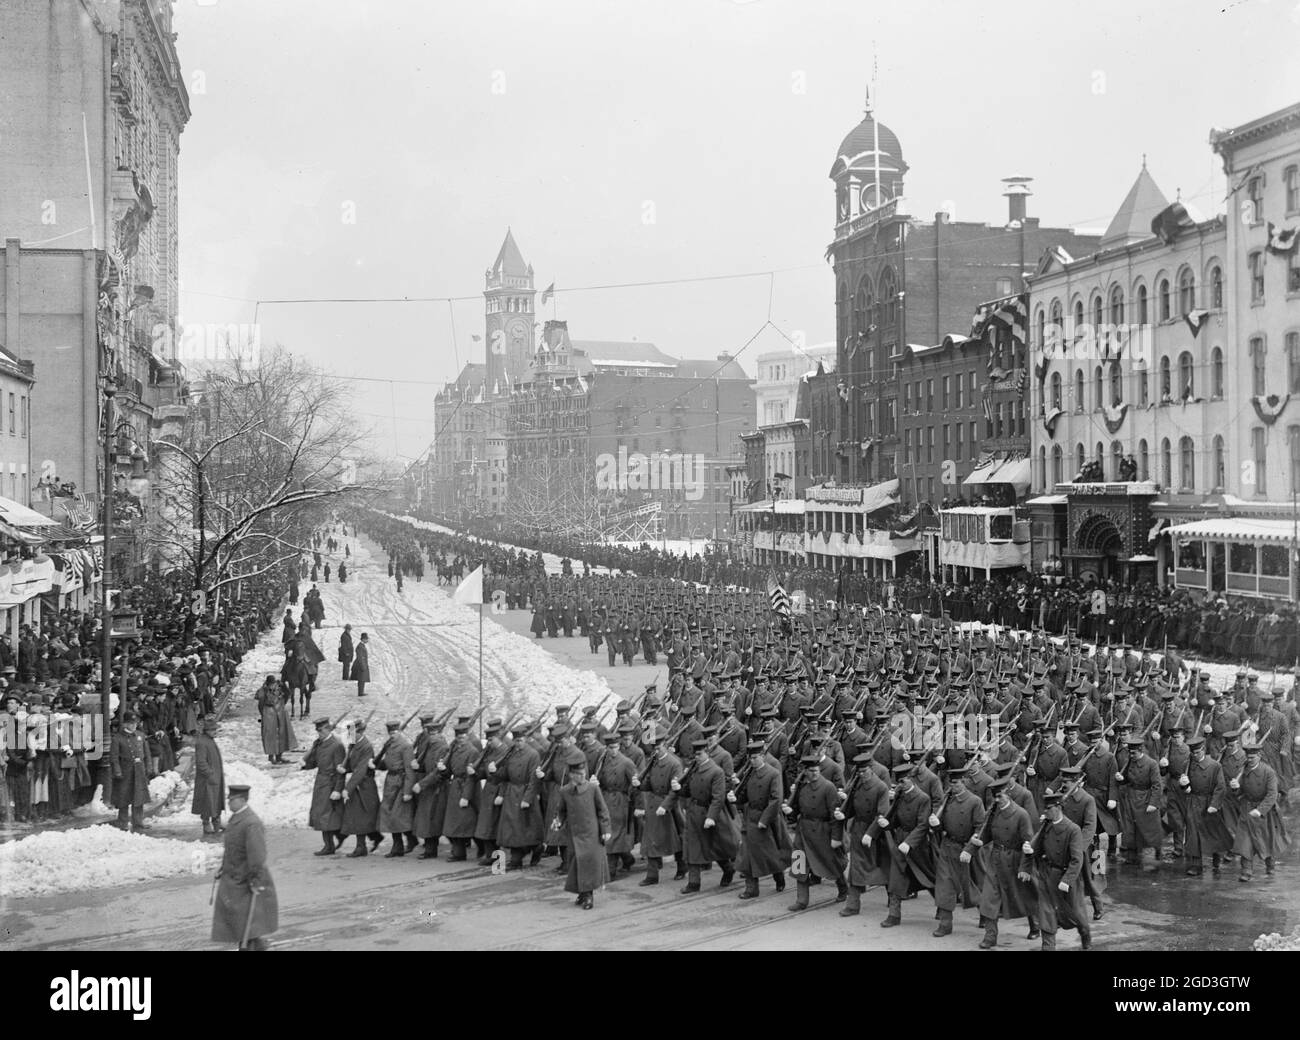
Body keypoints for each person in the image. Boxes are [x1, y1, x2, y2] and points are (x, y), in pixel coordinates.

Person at [211, 784, 278, 951]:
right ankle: (251, 946)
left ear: (242, 800)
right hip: (234, 877)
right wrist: (223, 867)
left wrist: (255, 879)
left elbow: (257, 855)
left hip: (246, 880)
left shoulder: (251, 823)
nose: (229, 803)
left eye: (232, 800)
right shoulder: (237, 819)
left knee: (246, 922)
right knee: (241, 921)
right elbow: (232, 848)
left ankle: (249, 947)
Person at [783, 750, 847, 910]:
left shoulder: (828, 787)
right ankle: (801, 900)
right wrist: (790, 811)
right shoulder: (801, 787)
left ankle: (843, 887)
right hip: (803, 831)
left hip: (823, 831)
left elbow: (835, 814)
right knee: (799, 862)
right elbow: (797, 808)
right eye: (811, 771)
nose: (815, 773)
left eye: (817, 770)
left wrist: (836, 838)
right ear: (805, 771)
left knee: (831, 862)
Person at [1030, 790, 1092, 950]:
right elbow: (1037, 849)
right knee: (1046, 912)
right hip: (1047, 875)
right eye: (1045, 808)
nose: (1045, 811)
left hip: (1067, 877)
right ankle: (1048, 947)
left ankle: (1085, 934)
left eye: (1048, 808)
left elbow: (1077, 859)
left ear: (1058, 808)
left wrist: (1067, 880)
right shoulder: (1046, 827)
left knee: (1077, 915)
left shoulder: (1073, 829)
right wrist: (1029, 849)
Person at [552, 747, 612, 910]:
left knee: (588, 864)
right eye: (578, 774)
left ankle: (588, 896)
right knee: (576, 864)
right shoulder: (565, 791)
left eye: (583, 773)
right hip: (574, 834)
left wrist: (605, 830)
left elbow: (603, 810)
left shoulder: (593, 788)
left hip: (592, 834)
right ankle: (582, 893)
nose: (582, 776)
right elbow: (561, 811)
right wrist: (557, 821)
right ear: (571, 775)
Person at [734, 739, 790, 900]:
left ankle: (778, 875)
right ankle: (752, 889)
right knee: (748, 855)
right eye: (750, 758)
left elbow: (776, 799)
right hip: (750, 818)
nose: (752, 761)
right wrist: (734, 797)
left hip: (767, 820)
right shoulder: (748, 774)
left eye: (755, 758)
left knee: (770, 854)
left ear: (763, 757)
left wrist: (764, 820)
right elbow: (744, 795)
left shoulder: (773, 774)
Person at [301, 716, 346, 855]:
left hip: (330, 784)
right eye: (317, 731)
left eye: (320, 731)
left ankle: (330, 845)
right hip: (320, 783)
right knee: (321, 815)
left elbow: (341, 770)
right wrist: (305, 764)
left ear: (328, 729)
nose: (318, 733)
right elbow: (314, 762)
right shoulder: (319, 744)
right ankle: (331, 843)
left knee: (327, 816)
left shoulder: (337, 745)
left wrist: (338, 789)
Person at [375, 719, 418, 857]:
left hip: (400, 782)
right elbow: (388, 763)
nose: (392, 735)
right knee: (388, 813)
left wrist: (407, 790)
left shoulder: (405, 746)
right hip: (390, 782)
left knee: (396, 815)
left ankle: (398, 846)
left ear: (399, 731)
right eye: (390, 732)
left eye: (395, 732)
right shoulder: (389, 745)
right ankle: (406, 842)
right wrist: (377, 764)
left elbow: (409, 769)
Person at [341, 718, 383, 856]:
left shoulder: (366, 747)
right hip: (358, 784)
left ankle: (361, 847)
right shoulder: (353, 745)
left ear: (360, 732)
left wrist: (348, 788)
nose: (350, 736)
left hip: (364, 786)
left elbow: (361, 769)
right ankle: (370, 840)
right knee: (360, 817)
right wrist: (344, 768)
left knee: (362, 817)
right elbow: (351, 764)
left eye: (352, 733)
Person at [110, 710, 150, 831]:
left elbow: (146, 753)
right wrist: (117, 771)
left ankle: (138, 821)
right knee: (124, 796)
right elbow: (114, 757)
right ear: (125, 724)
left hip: (139, 770)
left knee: (139, 796)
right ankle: (122, 822)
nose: (134, 725)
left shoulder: (140, 736)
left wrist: (149, 767)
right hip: (125, 770)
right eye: (131, 723)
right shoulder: (117, 738)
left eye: (135, 723)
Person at [191, 713, 226, 836]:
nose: (215, 731)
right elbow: (201, 762)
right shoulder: (202, 742)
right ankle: (206, 822)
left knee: (215, 799)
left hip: (215, 776)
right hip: (207, 779)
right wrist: (209, 774)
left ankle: (216, 820)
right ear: (207, 731)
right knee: (207, 801)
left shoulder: (209, 740)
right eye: (213, 730)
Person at [255, 676, 297, 765]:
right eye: (271, 683)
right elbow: (259, 700)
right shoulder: (263, 690)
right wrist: (263, 714)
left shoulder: (280, 687)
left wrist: (284, 686)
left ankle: (279, 756)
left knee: (283, 733)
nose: (272, 685)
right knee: (270, 735)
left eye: (273, 683)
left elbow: (288, 694)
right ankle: (271, 756)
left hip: (280, 711)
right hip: (269, 713)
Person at [351, 633, 370, 697]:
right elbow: (360, 657)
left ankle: (361, 692)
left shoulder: (362, 645)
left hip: (362, 665)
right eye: (366, 639)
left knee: (362, 679)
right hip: (361, 666)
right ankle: (360, 692)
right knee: (361, 679)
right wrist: (363, 666)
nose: (367, 640)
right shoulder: (360, 647)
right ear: (363, 639)